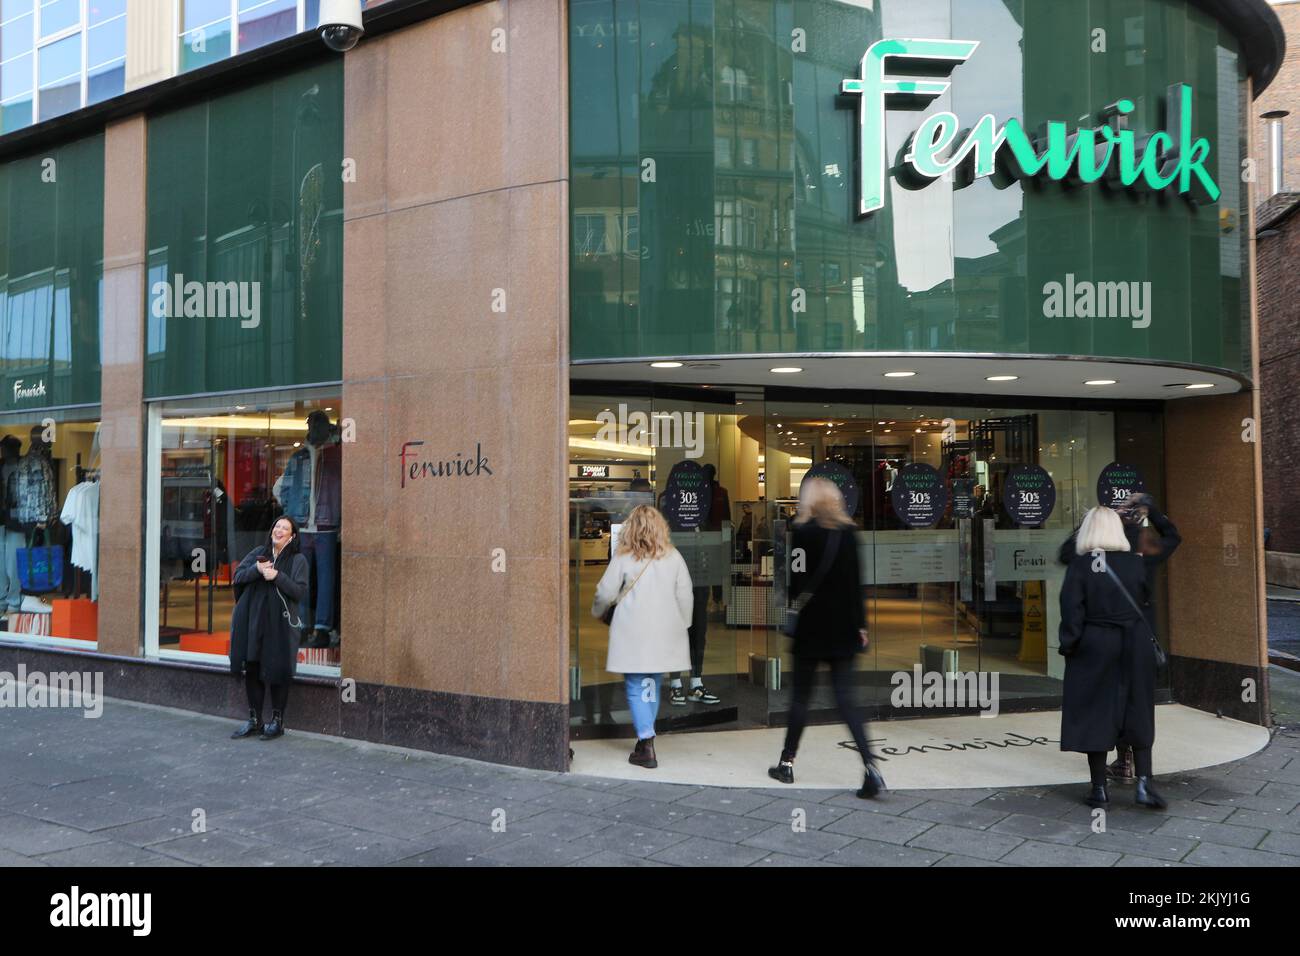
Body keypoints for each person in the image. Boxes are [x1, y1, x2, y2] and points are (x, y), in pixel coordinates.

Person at [768, 477, 885, 799]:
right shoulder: (850, 534)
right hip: (844, 628)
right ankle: (871, 766)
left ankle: (787, 763)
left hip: (811, 628)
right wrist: (861, 626)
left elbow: (795, 583)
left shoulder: (802, 534)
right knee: (846, 699)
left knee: (801, 699)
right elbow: (856, 586)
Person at [1058, 492, 1180, 781]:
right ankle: (1134, 770)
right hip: (1135, 635)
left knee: (1100, 701)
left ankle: (1105, 778)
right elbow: (1173, 537)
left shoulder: (1088, 560)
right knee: (1135, 701)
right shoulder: (1140, 555)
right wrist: (1152, 511)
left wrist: (1070, 645)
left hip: (1100, 636)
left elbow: (1066, 554)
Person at [591, 505, 693, 769]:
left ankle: (646, 741)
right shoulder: (673, 556)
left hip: (632, 631)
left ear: (631, 528)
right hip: (664, 631)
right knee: (653, 683)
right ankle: (644, 738)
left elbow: (604, 592)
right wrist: (683, 624)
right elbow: (685, 594)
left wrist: (598, 613)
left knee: (637, 685)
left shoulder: (624, 557)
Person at [228, 516, 310, 741]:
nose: (279, 530)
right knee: (253, 667)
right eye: (277, 526)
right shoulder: (258, 553)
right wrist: (256, 569)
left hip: (280, 625)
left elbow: (299, 591)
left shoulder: (298, 560)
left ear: (292, 536)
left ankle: (277, 722)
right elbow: (238, 577)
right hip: (254, 622)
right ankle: (255, 721)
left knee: (277, 670)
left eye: (285, 528)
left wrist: (278, 576)